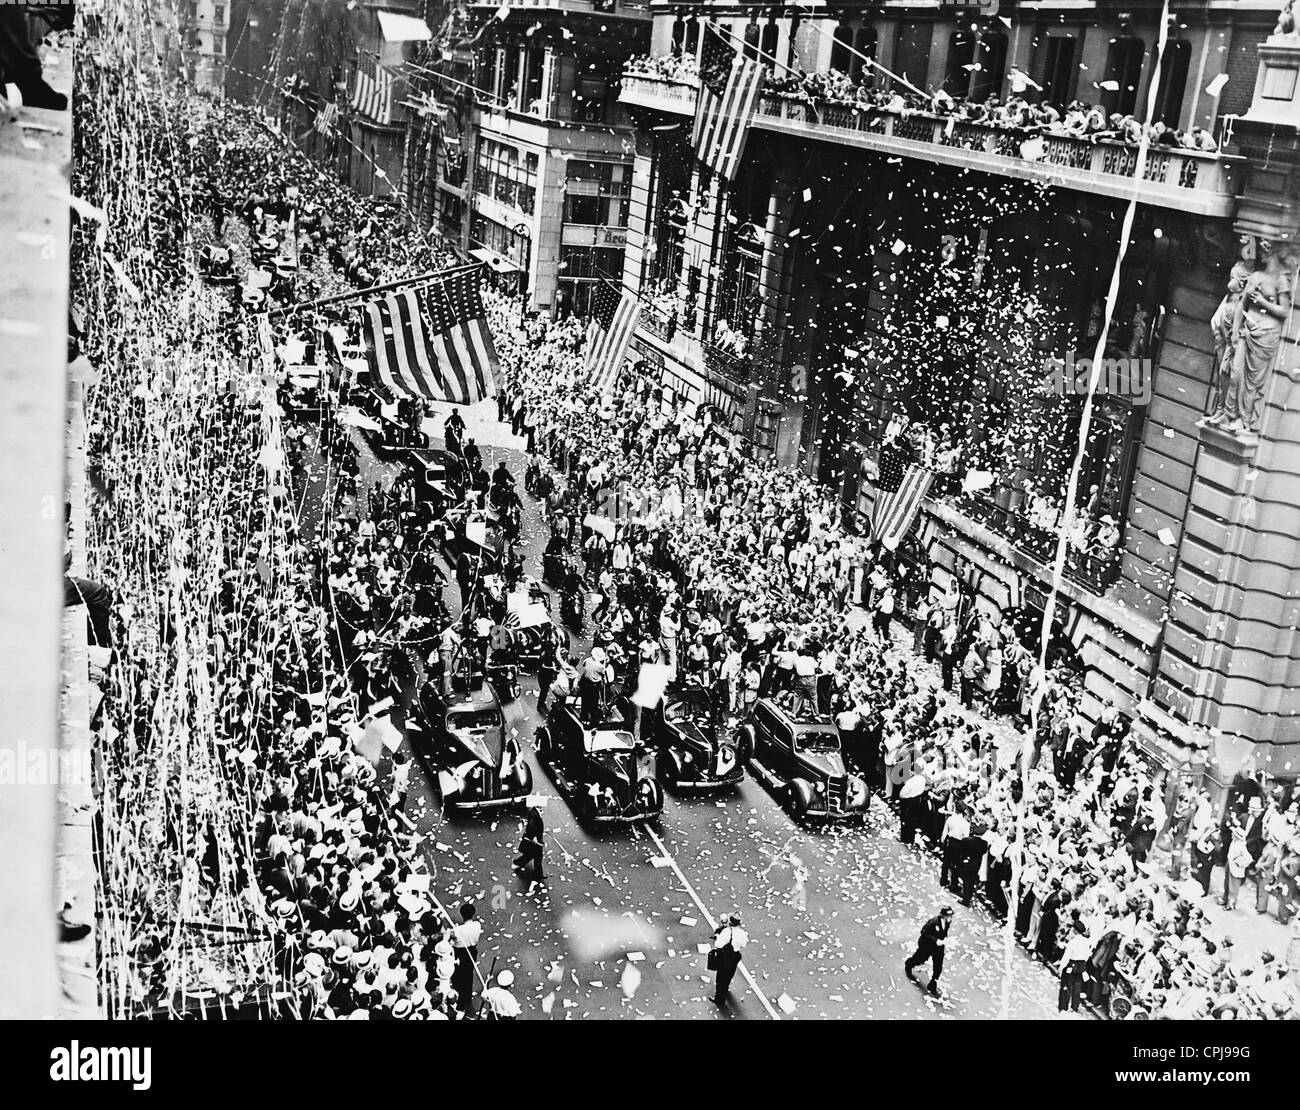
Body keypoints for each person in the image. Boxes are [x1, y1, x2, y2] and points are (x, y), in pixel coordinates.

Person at [904, 905, 954, 997]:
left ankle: (933, 983)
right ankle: (909, 964)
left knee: (938, 966)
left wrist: (945, 939)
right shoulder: (934, 922)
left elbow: (944, 931)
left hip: (938, 947)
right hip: (927, 945)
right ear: (944, 916)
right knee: (920, 959)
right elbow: (924, 932)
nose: (950, 919)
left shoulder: (947, 922)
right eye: (949, 916)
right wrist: (935, 940)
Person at [450, 902, 482, 1015]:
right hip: (472, 950)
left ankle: (459, 995)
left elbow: (453, 942)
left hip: (460, 952)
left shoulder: (457, 930)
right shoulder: (477, 925)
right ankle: (467, 995)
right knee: (468, 973)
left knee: (458, 974)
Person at [711, 912, 748, 1006]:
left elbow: (718, 944)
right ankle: (726, 988)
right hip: (734, 958)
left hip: (724, 958)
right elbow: (743, 945)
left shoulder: (726, 932)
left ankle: (719, 999)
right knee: (729, 975)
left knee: (720, 980)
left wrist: (717, 937)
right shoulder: (742, 933)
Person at [514, 805, 545, 882]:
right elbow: (532, 826)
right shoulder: (534, 814)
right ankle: (538, 874)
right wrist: (534, 837)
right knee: (538, 856)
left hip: (534, 839)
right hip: (535, 840)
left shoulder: (534, 812)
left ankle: (519, 862)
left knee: (531, 854)